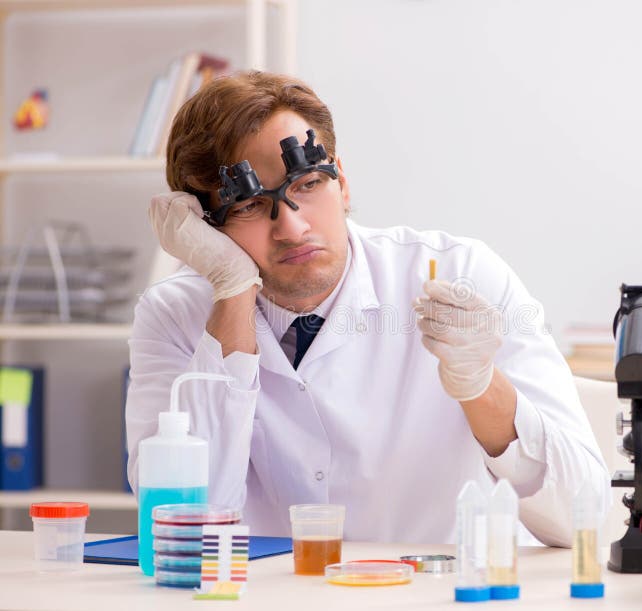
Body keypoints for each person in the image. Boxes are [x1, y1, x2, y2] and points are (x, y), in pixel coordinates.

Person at [126, 71, 610, 546]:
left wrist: (482, 387)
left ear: (344, 182)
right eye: (249, 205)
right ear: (205, 226)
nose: (291, 227)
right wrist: (231, 291)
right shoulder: (173, 316)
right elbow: (179, 534)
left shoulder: (461, 274)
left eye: (308, 183)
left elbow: (580, 519)